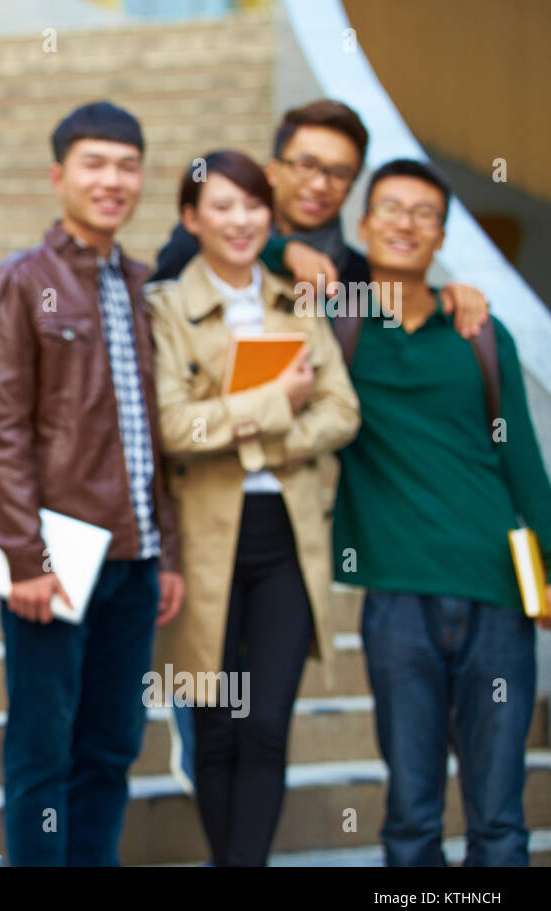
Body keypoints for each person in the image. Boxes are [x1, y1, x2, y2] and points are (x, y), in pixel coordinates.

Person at [0, 101, 184, 867]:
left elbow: (154, 430)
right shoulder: (21, 284)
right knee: (43, 748)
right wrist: (26, 557)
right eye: (95, 164)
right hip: (57, 551)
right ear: (60, 175)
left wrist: (171, 551)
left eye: (128, 165)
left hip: (137, 552)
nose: (113, 180)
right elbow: (5, 430)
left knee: (112, 744)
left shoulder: (140, 280)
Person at [333, 159, 551, 866]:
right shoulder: (341, 331)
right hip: (397, 600)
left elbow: (524, 464)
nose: (405, 223)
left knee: (499, 816)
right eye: (390, 208)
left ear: (442, 233)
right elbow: (257, 239)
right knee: (411, 814)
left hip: (497, 593)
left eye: (424, 212)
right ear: (363, 226)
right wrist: (291, 248)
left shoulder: (479, 333)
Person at [146, 151, 360, 866]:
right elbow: (174, 427)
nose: (240, 221)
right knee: (215, 727)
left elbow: (343, 409)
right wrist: (276, 405)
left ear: (270, 217)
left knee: (266, 723)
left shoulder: (296, 301)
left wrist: (259, 437)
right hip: (207, 542)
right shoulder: (166, 306)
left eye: (253, 206)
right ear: (190, 219)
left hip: (287, 540)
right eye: (222, 206)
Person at [151, 99, 489, 337]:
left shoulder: (359, 276)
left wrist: (451, 298)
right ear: (272, 170)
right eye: (306, 165)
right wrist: (282, 250)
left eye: (339, 173)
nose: (319, 185)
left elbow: (405, 316)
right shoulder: (197, 241)